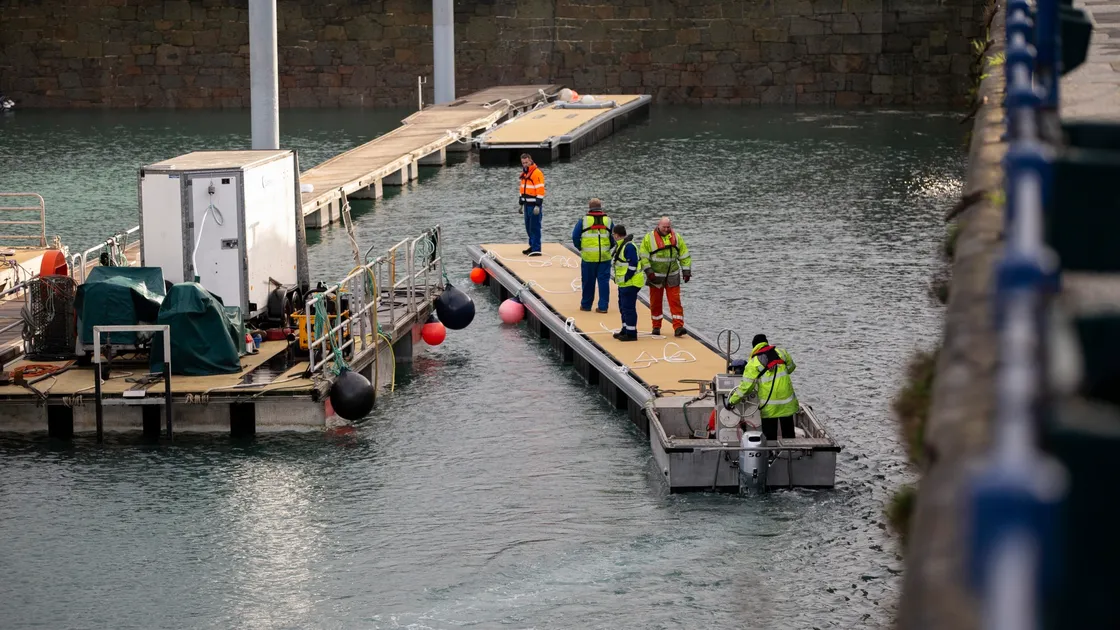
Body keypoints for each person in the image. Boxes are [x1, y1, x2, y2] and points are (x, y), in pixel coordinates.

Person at [725, 334, 799, 440]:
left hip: (770, 405)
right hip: (787, 401)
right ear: (766, 342)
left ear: (754, 346)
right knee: (789, 434)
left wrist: (731, 401)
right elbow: (791, 367)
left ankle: (772, 454)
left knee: (770, 438)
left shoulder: (753, 363)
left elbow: (745, 388)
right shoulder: (782, 353)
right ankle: (791, 453)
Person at [639, 216, 691, 337]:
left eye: (668, 227)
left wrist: (686, 271)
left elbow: (684, 255)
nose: (666, 229)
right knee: (655, 302)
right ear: (658, 225)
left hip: (672, 274)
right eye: (664, 227)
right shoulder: (649, 238)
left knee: (675, 301)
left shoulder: (676, 237)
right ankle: (656, 326)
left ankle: (678, 326)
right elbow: (643, 256)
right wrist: (649, 271)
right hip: (655, 276)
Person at [572, 198, 613, 312]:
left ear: (589, 208)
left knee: (588, 282)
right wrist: (609, 247)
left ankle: (586, 305)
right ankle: (603, 307)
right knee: (604, 282)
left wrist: (580, 247)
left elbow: (575, 237)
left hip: (589, 257)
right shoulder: (608, 221)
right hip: (604, 257)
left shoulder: (583, 221)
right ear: (601, 207)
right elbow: (614, 237)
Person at [609, 224, 642, 341]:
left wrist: (627, 277)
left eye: (613, 234)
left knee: (628, 308)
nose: (612, 236)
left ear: (617, 235)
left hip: (631, 283)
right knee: (623, 307)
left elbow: (632, 265)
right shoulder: (621, 246)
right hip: (623, 284)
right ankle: (625, 329)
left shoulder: (628, 246)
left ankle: (631, 334)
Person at [518, 153, 545, 256]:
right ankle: (532, 246)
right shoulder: (525, 174)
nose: (525, 164)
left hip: (534, 205)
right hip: (526, 205)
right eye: (523, 163)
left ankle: (536, 249)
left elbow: (540, 189)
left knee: (534, 227)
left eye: (526, 162)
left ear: (530, 161)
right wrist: (521, 203)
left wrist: (538, 205)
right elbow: (522, 189)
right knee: (528, 227)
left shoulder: (536, 173)